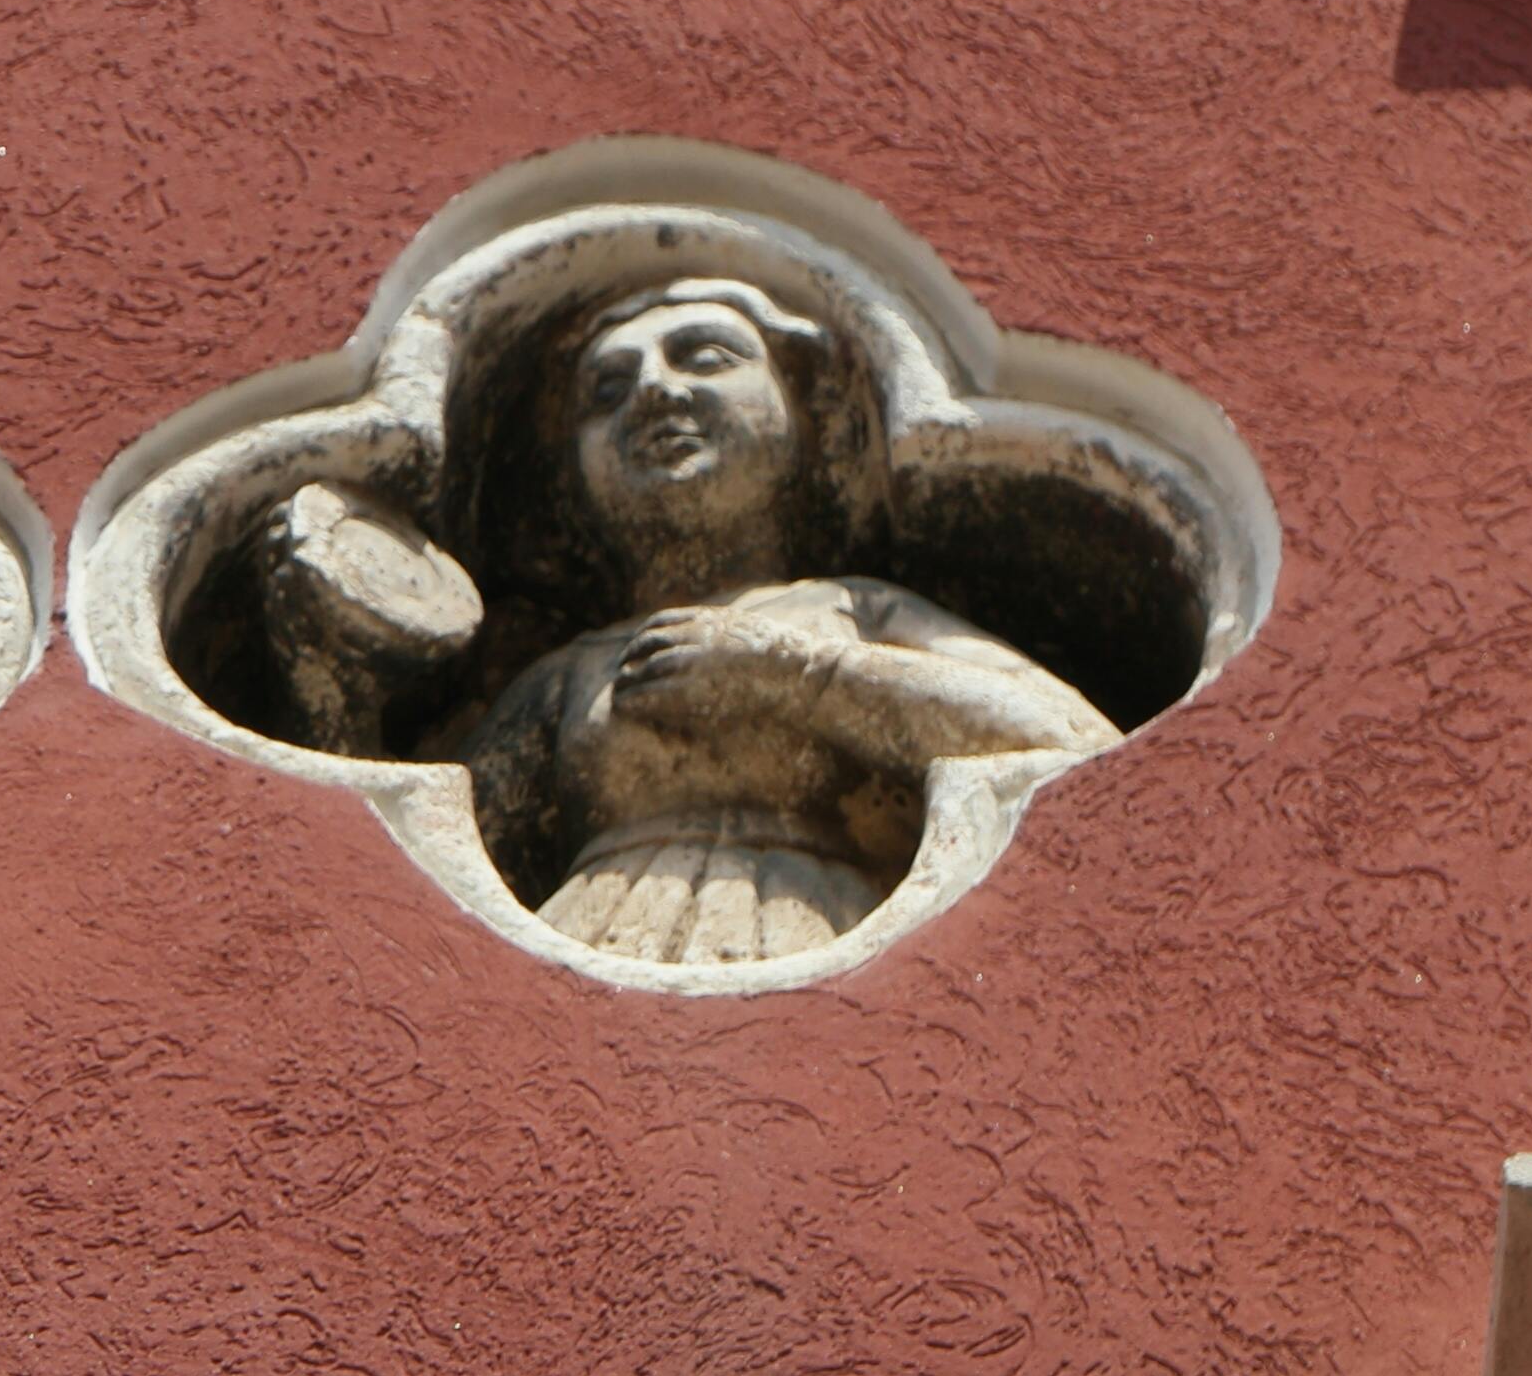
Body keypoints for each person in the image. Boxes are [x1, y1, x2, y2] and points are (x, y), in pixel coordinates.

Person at [257, 278, 1109, 967]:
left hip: (828, 948)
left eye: (706, 357)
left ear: (802, 413)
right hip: (583, 954)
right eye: (607, 389)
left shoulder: (851, 611)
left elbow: (1067, 740)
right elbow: (425, 861)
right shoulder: (571, 674)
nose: (656, 391)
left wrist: (794, 672)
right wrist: (332, 689)